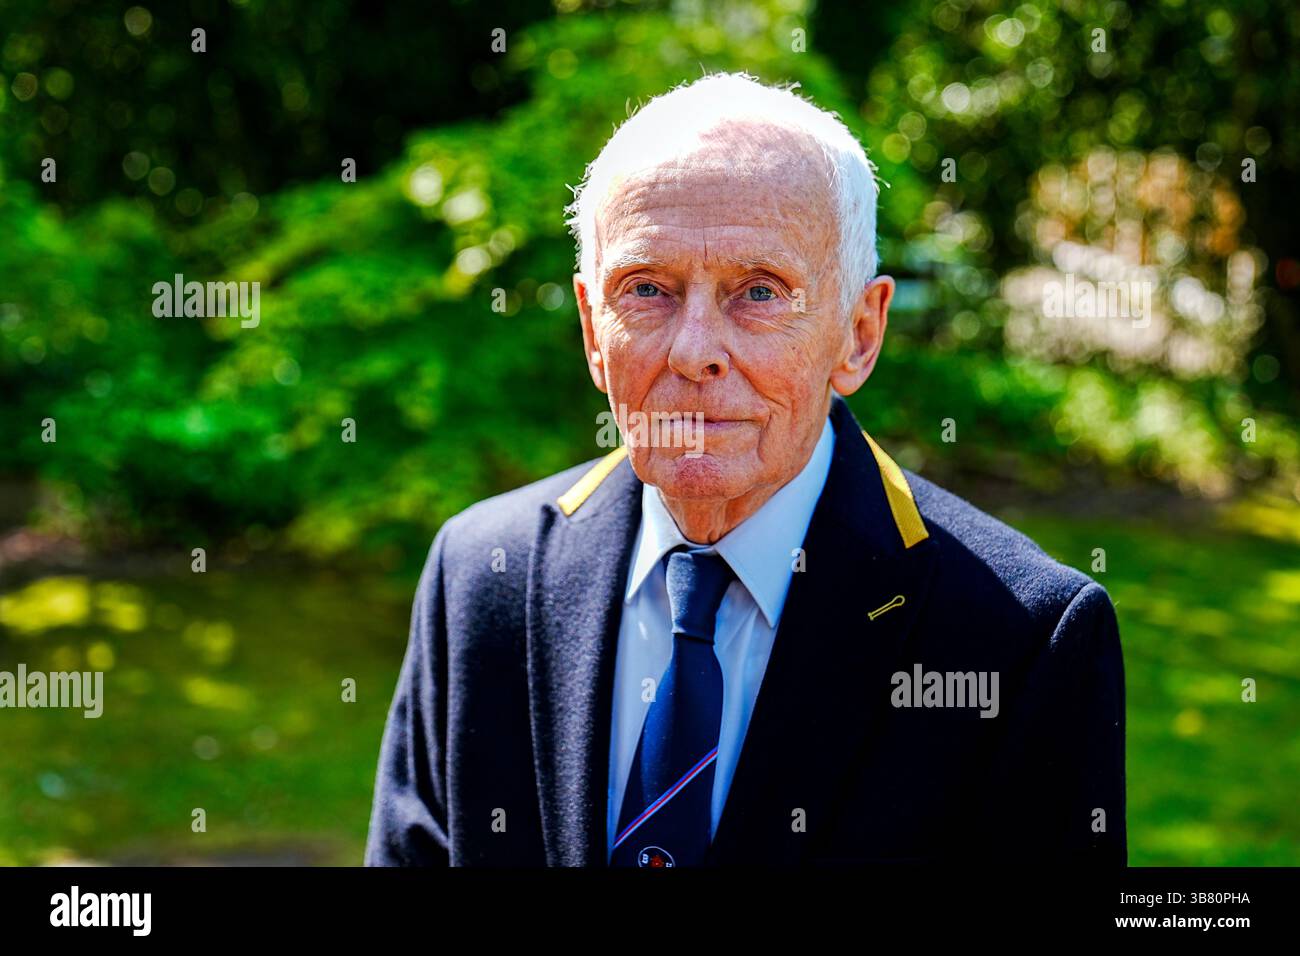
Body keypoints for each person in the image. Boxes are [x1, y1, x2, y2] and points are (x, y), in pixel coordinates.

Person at [364, 71, 1126, 867]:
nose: (695, 352)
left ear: (858, 333)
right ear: (594, 331)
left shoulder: (1019, 637)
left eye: (759, 292)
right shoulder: (483, 574)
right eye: (648, 289)